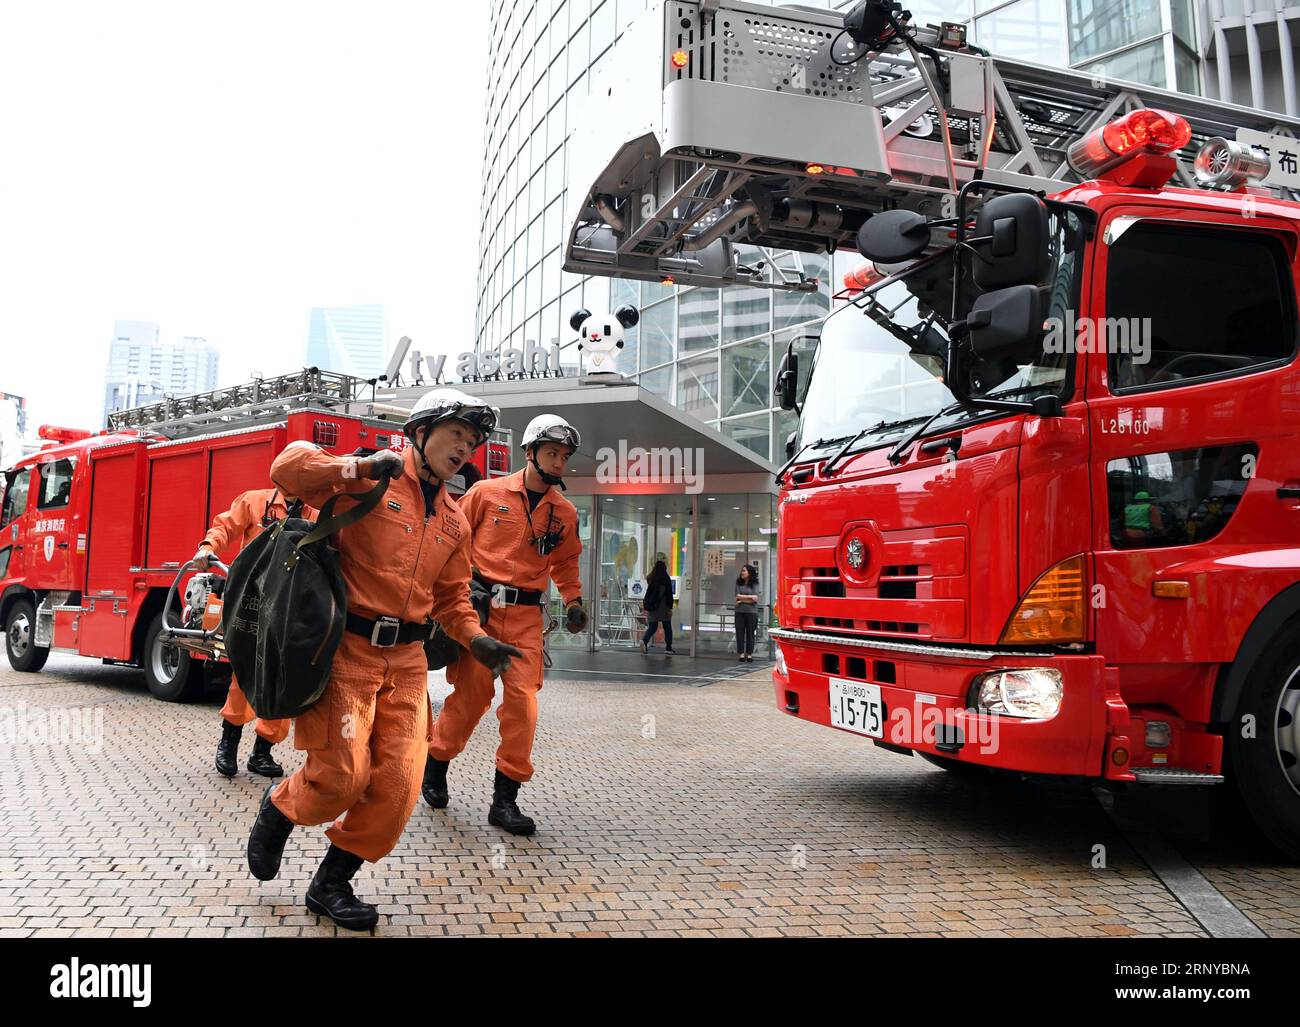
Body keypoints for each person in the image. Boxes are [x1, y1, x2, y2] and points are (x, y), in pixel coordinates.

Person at [244, 388, 521, 931]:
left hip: (409, 663)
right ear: (420, 433)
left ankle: (332, 883)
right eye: (456, 435)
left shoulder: (455, 520)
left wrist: (476, 638)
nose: (466, 447)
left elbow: (452, 600)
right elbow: (287, 467)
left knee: (398, 786)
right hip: (347, 652)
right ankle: (281, 808)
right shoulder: (369, 479)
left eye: (473, 441)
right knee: (343, 776)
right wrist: (355, 464)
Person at [421, 413, 586, 835]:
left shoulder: (564, 513)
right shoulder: (485, 493)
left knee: (524, 705)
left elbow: (566, 562)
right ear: (530, 453)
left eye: (564, 457)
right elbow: (449, 534)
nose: (558, 463)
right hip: (479, 612)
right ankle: (435, 764)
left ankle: (505, 800)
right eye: (551, 453)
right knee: (472, 699)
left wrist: (574, 600)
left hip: (526, 619)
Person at [193, 487, 317, 779]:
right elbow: (225, 525)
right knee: (245, 675)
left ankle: (262, 752)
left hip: (291, 607)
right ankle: (229, 742)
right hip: (253, 602)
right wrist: (208, 547)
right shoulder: (254, 501)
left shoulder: (316, 511)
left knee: (284, 678)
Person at [640, 560, 675, 655]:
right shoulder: (665, 579)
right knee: (667, 626)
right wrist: (670, 608)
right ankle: (668, 647)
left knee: (653, 626)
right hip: (664, 606)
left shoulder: (651, 578)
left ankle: (644, 640)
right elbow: (669, 595)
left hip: (653, 605)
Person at [734, 563, 760, 662]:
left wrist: (742, 599)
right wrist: (749, 598)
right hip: (739, 612)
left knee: (750, 633)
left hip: (752, 612)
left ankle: (749, 654)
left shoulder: (755, 583)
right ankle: (741, 654)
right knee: (739, 633)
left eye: (744, 571)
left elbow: (756, 599)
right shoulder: (738, 582)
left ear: (749, 573)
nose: (742, 572)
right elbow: (737, 596)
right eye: (742, 571)